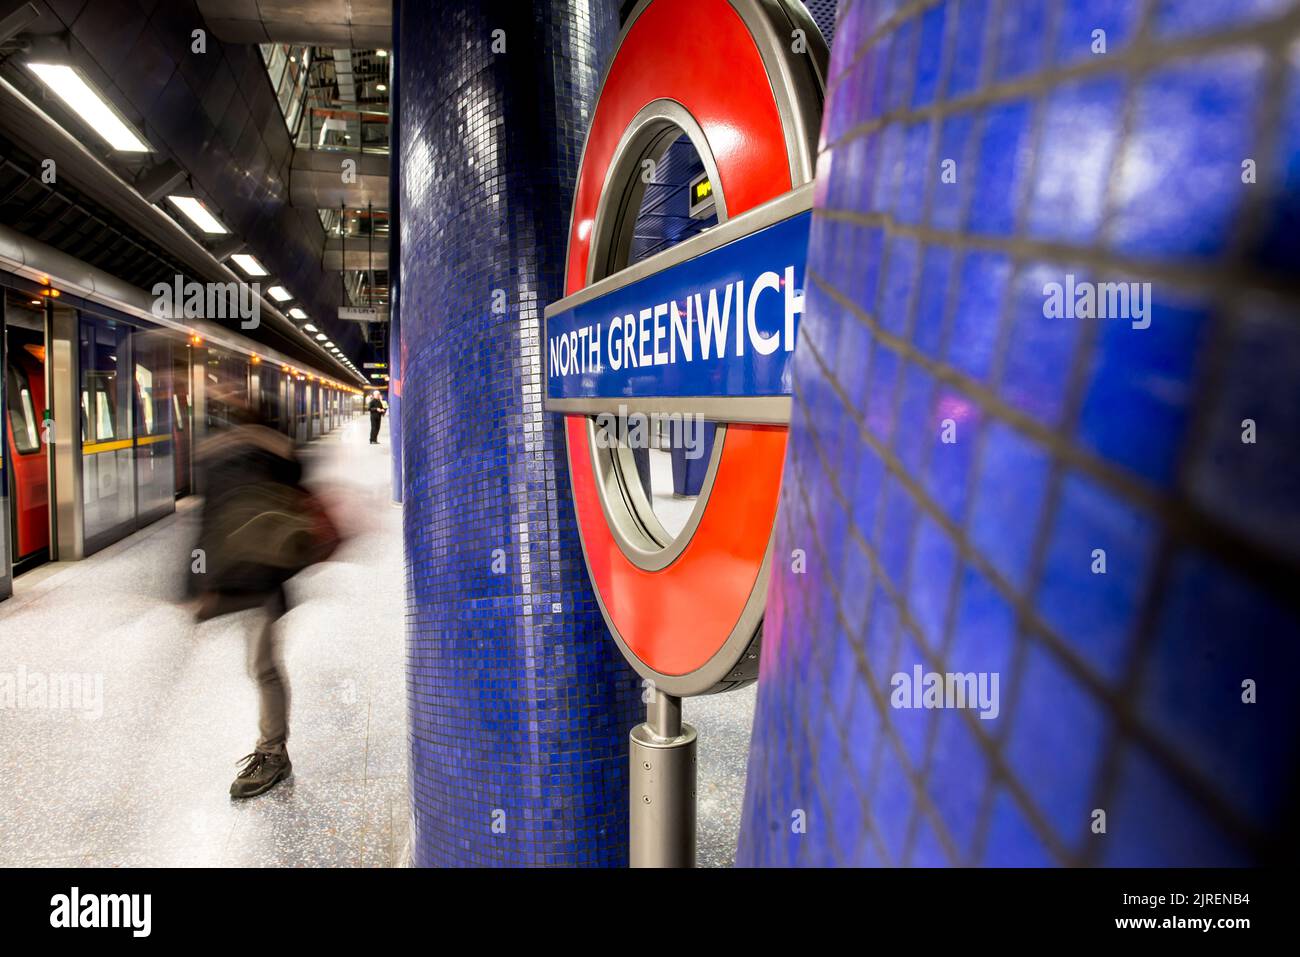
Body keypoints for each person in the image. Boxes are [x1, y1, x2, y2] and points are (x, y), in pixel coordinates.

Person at [194, 400, 302, 799]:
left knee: (264, 667)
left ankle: (273, 753)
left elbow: (208, 528)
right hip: (249, 581)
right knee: (261, 666)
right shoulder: (240, 458)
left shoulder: (260, 458)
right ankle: (272, 749)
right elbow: (208, 528)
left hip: (263, 582)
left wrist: (199, 581)